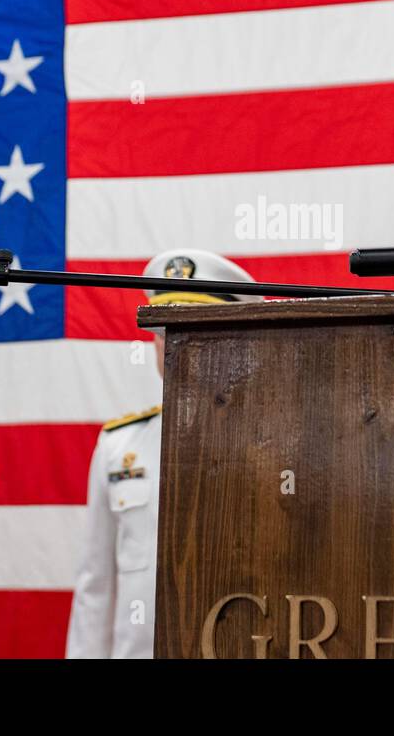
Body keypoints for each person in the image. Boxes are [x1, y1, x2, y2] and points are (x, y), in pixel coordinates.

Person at [66, 249, 261, 659]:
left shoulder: (271, 442)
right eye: (164, 331)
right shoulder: (120, 446)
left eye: (194, 331)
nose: (175, 346)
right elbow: (96, 586)